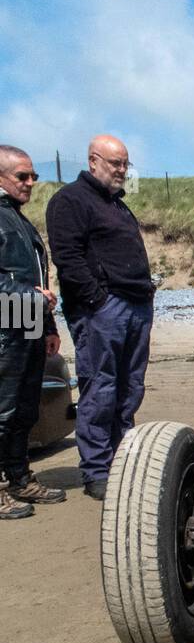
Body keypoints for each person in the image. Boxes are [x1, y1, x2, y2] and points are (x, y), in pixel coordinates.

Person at [46, 135, 155, 499]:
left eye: (125, 164)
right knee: (100, 387)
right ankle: (96, 470)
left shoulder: (117, 205)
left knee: (130, 388)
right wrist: (98, 299)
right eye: (115, 163)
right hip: (102, 310)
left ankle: (121, 462)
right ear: (93, 161)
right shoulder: (70, 201)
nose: (122, 170)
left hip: (137, 305)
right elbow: (68, 257)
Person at [0, 144, 66, 519]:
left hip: (25, 319)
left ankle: (19, 477)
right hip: (4, 324)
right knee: (3, 410)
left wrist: (48, 326)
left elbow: (36, 280)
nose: (30, 183)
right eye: (21, 177)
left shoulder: (19, 220)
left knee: (25, 408)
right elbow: (22, 287)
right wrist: (30, 297)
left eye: (33, 176)